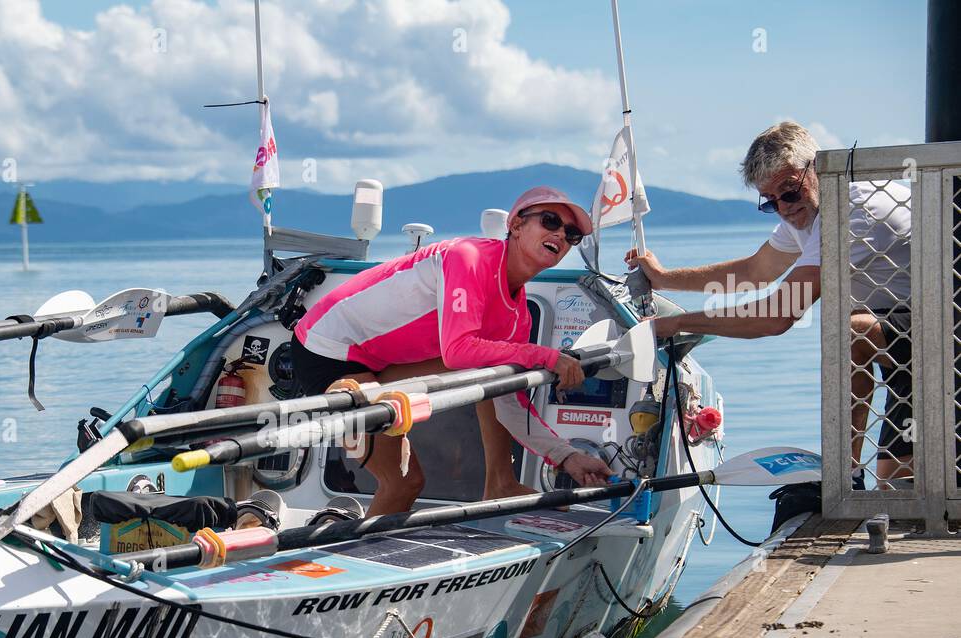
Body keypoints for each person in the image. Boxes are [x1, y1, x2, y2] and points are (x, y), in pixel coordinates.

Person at [291, 186, 613, 516]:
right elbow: (458, 351)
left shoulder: (518, 315)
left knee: (502, 370)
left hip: (374, 361)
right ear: (516, 225)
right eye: (549, 221)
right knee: (404, 483)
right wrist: (544, 356)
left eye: (571, 234)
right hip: (326, 351)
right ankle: (355, 561)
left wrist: (567, 456)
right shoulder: (469, 257)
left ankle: (500, 483)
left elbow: (510, 403)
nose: (560, 234)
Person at [625, 121, 913, 486]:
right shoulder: (810, 209)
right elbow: (755, 272)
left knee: (853, 330)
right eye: (770, 202)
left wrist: (677, 324)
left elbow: (777, 316)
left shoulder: (853, 213)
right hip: (904, 348)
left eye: (789, 193)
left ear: (817, 168)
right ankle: (849, 474)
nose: (783, 209)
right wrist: (666, 278)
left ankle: (845, 474)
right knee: (899, 488)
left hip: (941, 338)